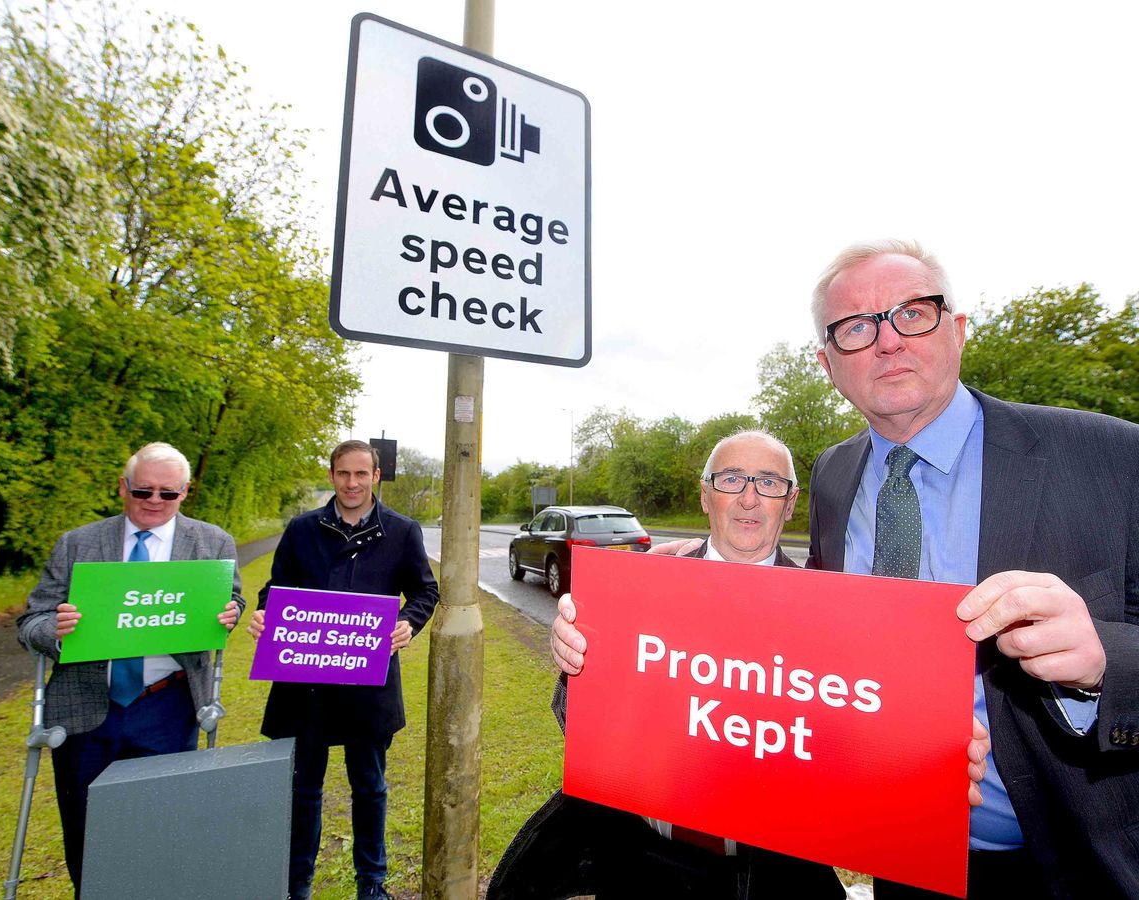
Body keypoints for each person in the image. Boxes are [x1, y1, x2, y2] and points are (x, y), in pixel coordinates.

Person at [806, 239, 1139, 898]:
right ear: (828, 364)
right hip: (901, 848)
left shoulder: (1112, 457)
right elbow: (826, 624)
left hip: (1076, 866)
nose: (888, 341)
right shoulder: (832, 476)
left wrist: (1107, 660)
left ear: (957, 330)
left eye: (913, 313)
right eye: (856, 327)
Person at [498, 431, 844, 898]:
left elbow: (845, 752)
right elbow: (573, 720)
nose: (749, 498)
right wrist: (574, 662)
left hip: (771, 875)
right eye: (731, 479)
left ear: (790, 502)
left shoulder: (829, 614)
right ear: (705, 495)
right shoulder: (639, 590)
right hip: (640, 862)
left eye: (768, 482)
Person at [17, 442, 244, 897]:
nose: (154, 501)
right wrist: (54, 630)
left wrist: (230, 613)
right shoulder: (77, 543)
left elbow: (231, 599)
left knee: (160, 827)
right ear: (123, 487)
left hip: (168, 705)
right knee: (85, 831)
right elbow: (31, 621)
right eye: (143, 491)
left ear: (185, 493)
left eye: (168, 493)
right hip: (85, 706)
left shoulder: (212, 542)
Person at [247, 440, 438, 900]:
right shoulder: (301, 529)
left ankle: (371, 882)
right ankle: (296, 885)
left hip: (367, 685)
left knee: (369, 787)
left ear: (376, 476)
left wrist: (408, 623)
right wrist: (265, 613)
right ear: (332, 476)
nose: (352, 483)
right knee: (303, 789)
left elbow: (425, 591)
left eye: (361, 474)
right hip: (304, 685)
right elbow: (276, 589)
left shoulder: (402, 531)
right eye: (343, 474)